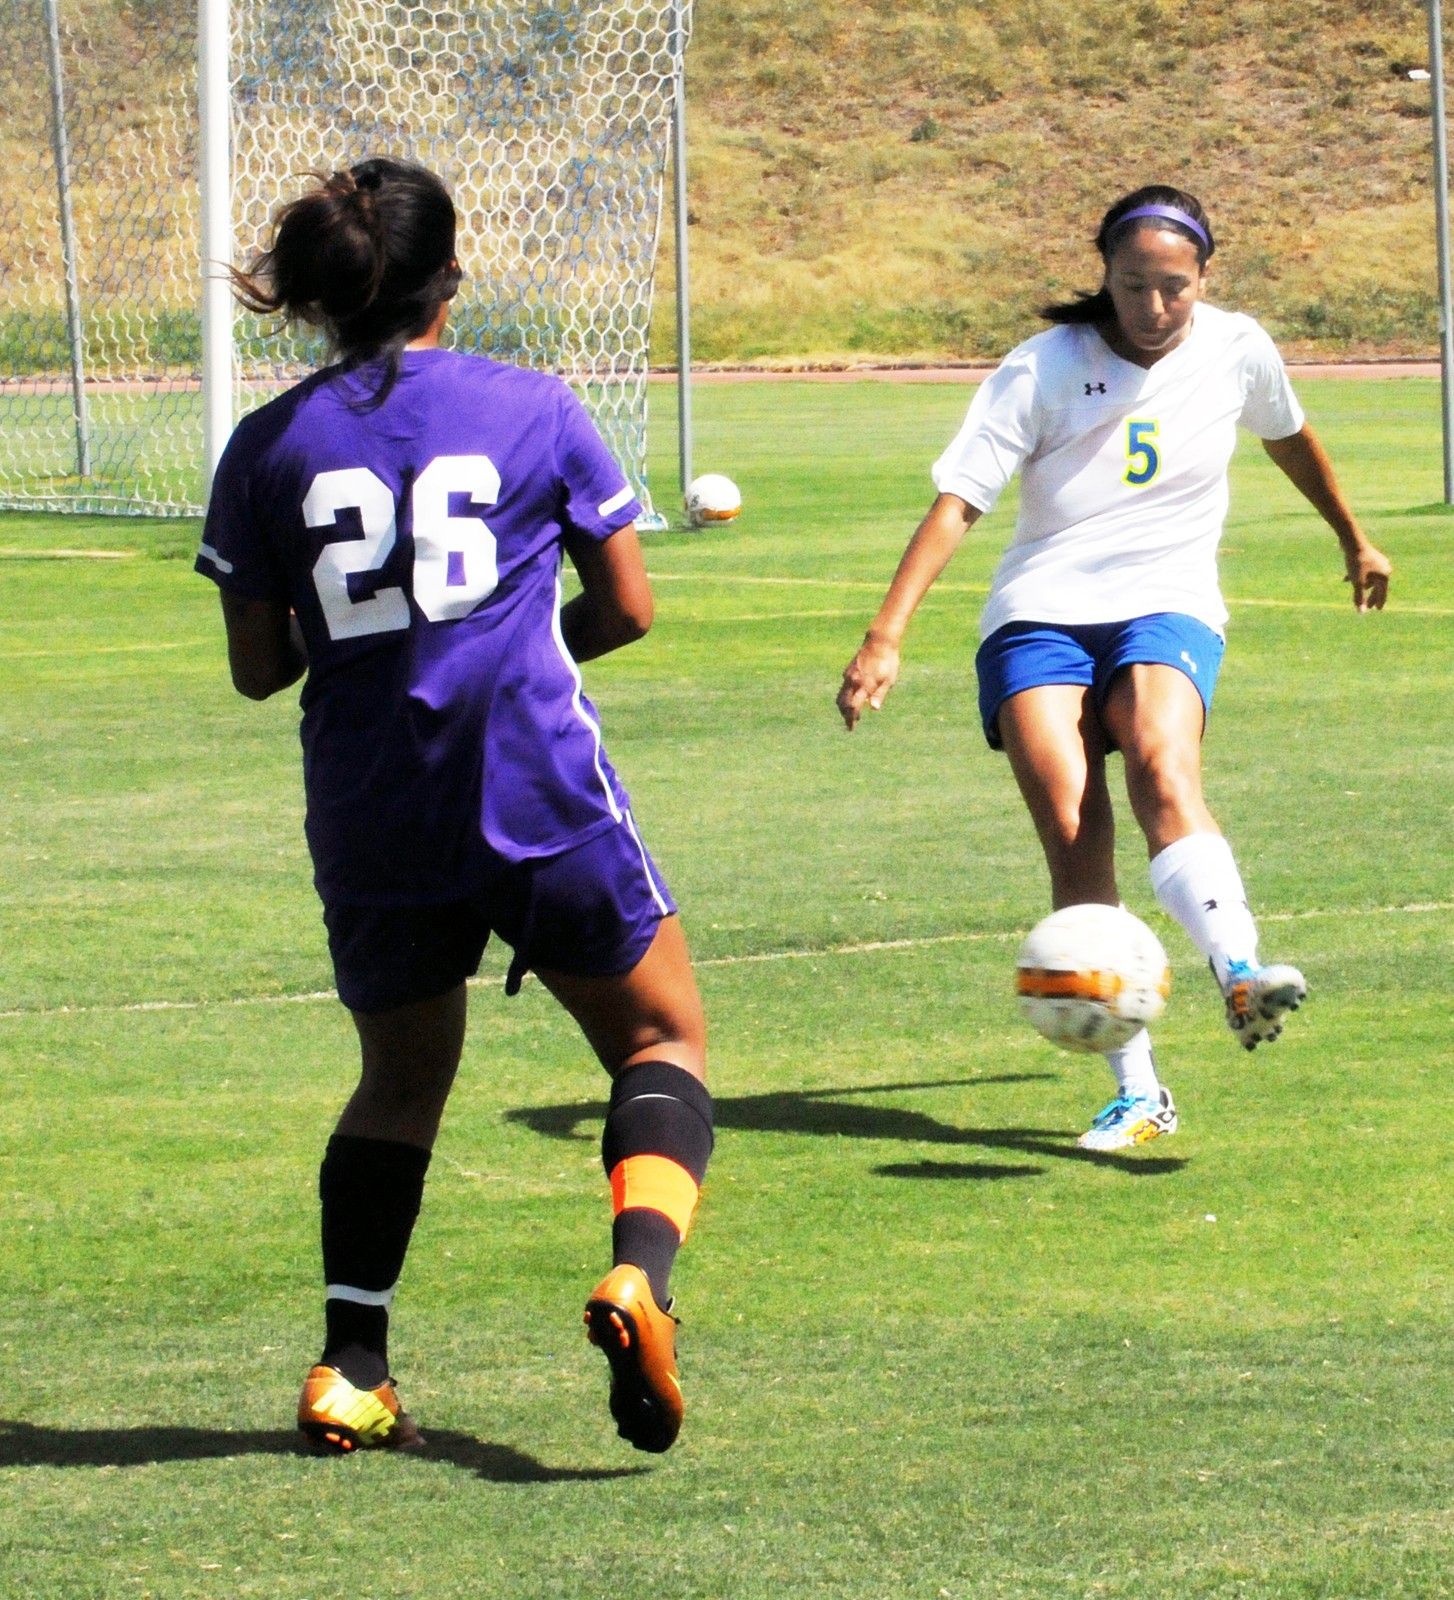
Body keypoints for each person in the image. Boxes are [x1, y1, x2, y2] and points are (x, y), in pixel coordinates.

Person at [196, 157, 713, 1454]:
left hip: (371, 804)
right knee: (661, 1040)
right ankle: (636, 1276)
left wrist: (389, 652)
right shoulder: (536, 408)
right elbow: (630, 608)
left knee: (398, 1081)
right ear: (450, 278)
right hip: (530, 781)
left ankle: (349, 1364)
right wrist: (512, 652)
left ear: (319, 299)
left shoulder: (265, 448)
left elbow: (259, 671)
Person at [837, 184, 1391, 1152]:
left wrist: (1352, 537)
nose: (1152, 307)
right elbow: (958, 501)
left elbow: (1289, 438)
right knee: (1069, 821)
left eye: (1172, 287)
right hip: (1038, 612)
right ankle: (1135, 1090)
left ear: (1202, 278)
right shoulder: (1042, 366)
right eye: (1132, 285)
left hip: (1165, 600)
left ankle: (1236, 970)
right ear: (1103, 275)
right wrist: (886, 632)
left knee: (1161, 765)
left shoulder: (1235, 347)